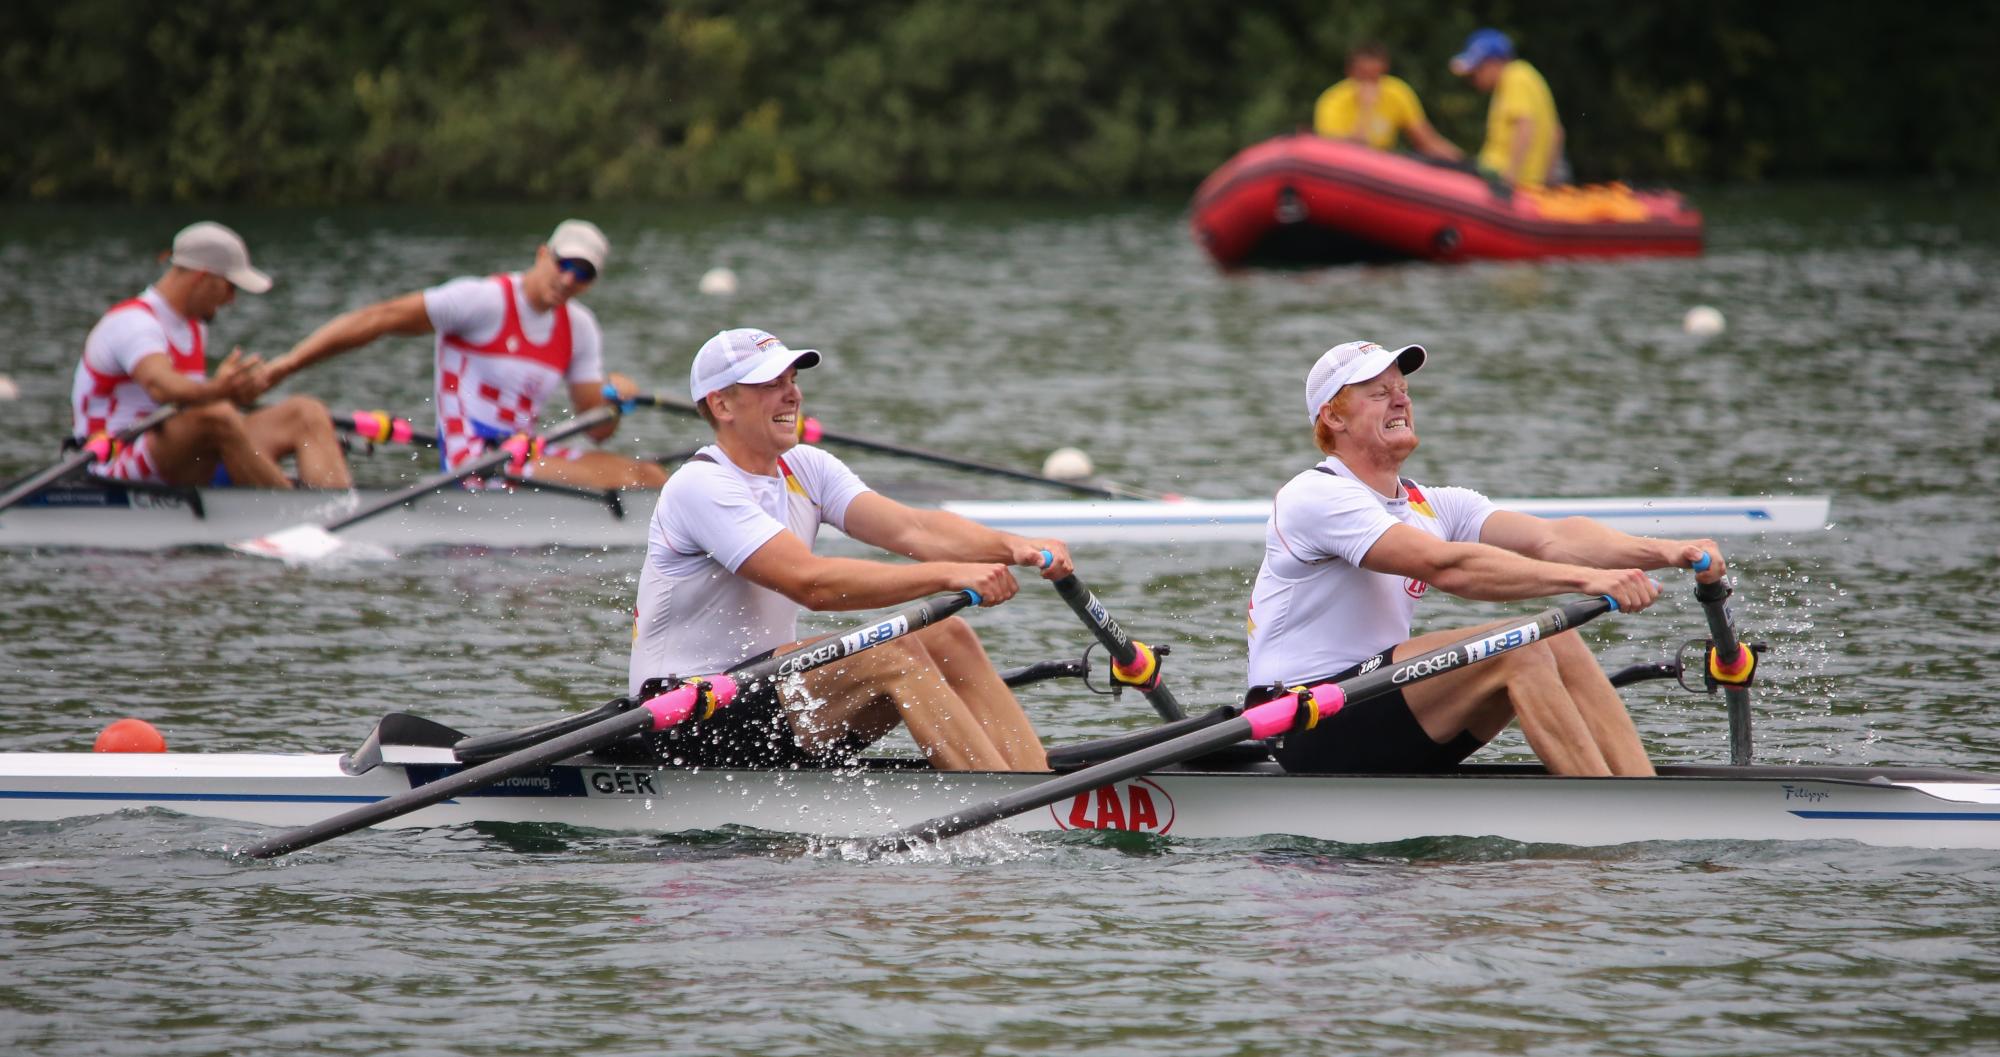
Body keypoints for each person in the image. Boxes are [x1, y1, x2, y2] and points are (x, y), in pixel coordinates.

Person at [1244, 339, 1727, 777]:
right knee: (1520, 646)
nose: (1401, 399)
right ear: (1334, 417)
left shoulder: (1432, 503)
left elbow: (1551, 538)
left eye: (1403, 388)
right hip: (1303, 720)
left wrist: (1666, 552)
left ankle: (1639, 791)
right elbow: (1446, 566)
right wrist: (1589, 580)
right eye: (1378, 392)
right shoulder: (1315, 496)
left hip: (1374, 705)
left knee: (1559, 640)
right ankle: (1606, 812)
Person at [628, 327, 1066, 772]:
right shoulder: (701, 485)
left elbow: (915, 529)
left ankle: (1034, 781)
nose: (792, 395)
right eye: (770, 385)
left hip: (765, 699)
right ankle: (1003, 810)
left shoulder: (806, 468)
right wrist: (951, 575)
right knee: (894, 652)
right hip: (684, 718)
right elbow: (810, 583)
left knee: (947, 636)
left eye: (792, 381)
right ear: (721, 404)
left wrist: (1013, 546)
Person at [261, 220, 667, 490]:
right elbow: (378, 318)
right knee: (648, 481)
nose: (568, 280)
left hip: (521, 457)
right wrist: (288, 364)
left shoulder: (579, 328)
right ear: (542, 254)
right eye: (564, 265)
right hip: (469, 463)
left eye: (584, 274)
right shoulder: (481, 301)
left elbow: (595, 426)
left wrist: (616, 397)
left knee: (649, 475)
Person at [70, 222, 350, 489]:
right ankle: (294, 515)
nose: (232, 299)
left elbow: (188, 405)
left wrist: (232, 392)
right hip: (112, 465)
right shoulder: (134, 323)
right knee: (217, 416)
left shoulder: (193, 327)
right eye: (230, 286)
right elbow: (161, 386)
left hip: (175, 458)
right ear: (203, 276)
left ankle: (339, 510)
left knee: (305, 412)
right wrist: (219, 390)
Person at [1449, 28, 1566, 188]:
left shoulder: (1514, 76)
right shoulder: (1530, 77)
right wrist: (1546, 183)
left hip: (1497, 176)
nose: (1473, 79)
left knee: (1439, 166)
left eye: (1477, 71)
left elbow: (1524, 125)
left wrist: (1509, 180)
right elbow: (1557, 133)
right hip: (1530, 184)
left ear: (1493, 62)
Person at [1314, 42, 1463, 163]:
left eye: (1375, 77)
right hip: (1346, 168)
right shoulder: (1333, 100)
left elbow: (1426, 140)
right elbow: (1341, 152)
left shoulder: (1396, 91)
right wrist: (1366, 109)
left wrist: (1464, 162)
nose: (1369, 85)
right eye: (1363, 76)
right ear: (1350, 73)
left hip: (1383, 167)